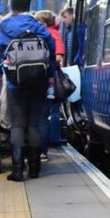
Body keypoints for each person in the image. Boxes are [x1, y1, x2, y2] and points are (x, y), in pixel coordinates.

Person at [0, 0, 57, 182]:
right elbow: (51, 51)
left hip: (15, 82)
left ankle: (17, 170)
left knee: (17, 123)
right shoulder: (38, 26)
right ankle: (34, 168)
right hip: (39, 81)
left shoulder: (4, 26)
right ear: (28, 6)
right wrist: (50, 75)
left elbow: (1, 53)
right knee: (34, 123)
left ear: (11, 6)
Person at [34, 10, 65, 162]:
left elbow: (59, 56)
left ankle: (45, 146)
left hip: (48, 79)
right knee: (44, 116)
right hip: (46, 78)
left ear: (43, 23)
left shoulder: (51, 34)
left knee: (46, 115)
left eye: (37, 21)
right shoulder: (49, 33)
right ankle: (43, 150)